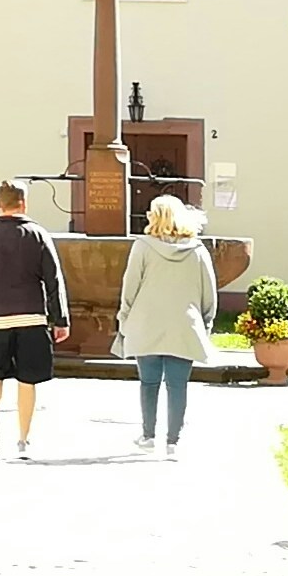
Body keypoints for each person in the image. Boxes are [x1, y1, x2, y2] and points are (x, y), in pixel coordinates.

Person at [0, 179, 69, 460]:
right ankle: (22, 440)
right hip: (31, 318)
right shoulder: (37, 234)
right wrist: (60, 320)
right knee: (27, 380)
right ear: (24, 202)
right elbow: (53, 280)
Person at [117, 194, 221, 459]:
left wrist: (124, 318)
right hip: (184, 324)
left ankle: (148, 436)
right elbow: (209, 293)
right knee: (178, 385)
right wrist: (206, 322)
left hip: (146, 322)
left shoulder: (142, 247)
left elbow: (130, 286)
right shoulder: (198, 251)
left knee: (148, 382)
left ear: (156, 216)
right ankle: (173, 441)